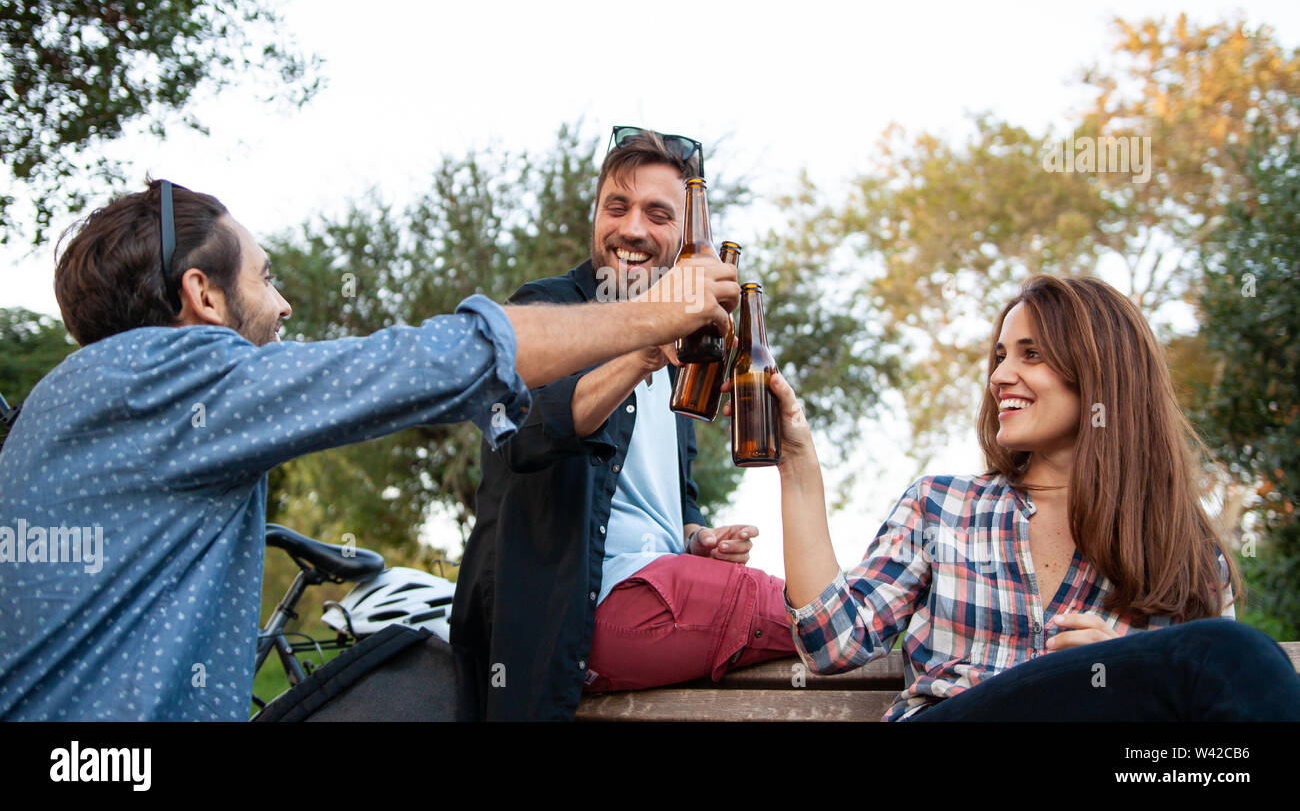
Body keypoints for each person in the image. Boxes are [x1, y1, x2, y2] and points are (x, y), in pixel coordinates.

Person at [0, 177, 738, 721]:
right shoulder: (169, 378)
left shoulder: (60, 404)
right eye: (265, 277)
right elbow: (442, 362)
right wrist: (655, 313)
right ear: (203, 294)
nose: (283, 304)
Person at [772, 274, 1300, 720]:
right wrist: (796, 462)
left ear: (1101, 374)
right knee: (1235, 654)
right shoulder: (942, 506)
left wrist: (1126, 669)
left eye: (1032, 354)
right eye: (1000, 356)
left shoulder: (1186, 555)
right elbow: (831, 641)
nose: (1000, 376)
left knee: (1231, 660)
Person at [450, 127, 796, 721]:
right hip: (575, 618)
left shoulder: (687, 351)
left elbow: (674, 499)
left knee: (802, 608)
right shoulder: (549, 308)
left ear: (687, 239)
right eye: (617, 207)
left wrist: (696, 539)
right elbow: (524, 435)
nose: (632, 229)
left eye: (657, 214)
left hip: (660, 585)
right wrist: (643, 346)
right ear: (596, 216)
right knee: (810, 612)